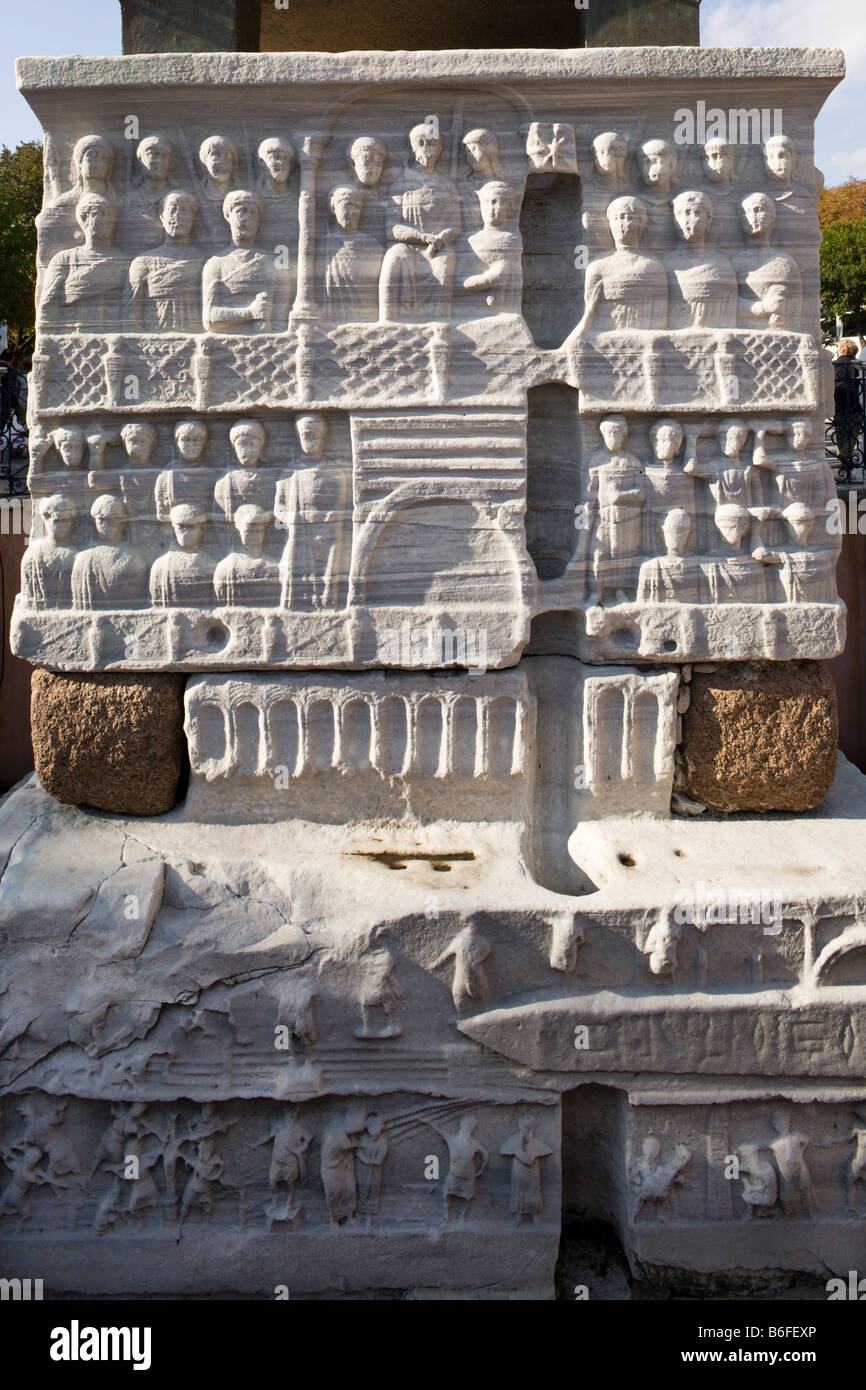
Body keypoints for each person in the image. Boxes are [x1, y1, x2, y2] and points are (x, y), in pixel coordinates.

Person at [833, 339, 864, 469]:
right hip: (855, 404)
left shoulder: (832, 365)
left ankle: (844, 458)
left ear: (841, 349)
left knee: (840, 434)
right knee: (852, 434)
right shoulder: (859, 365)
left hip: (838, 405)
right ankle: (846, 457)